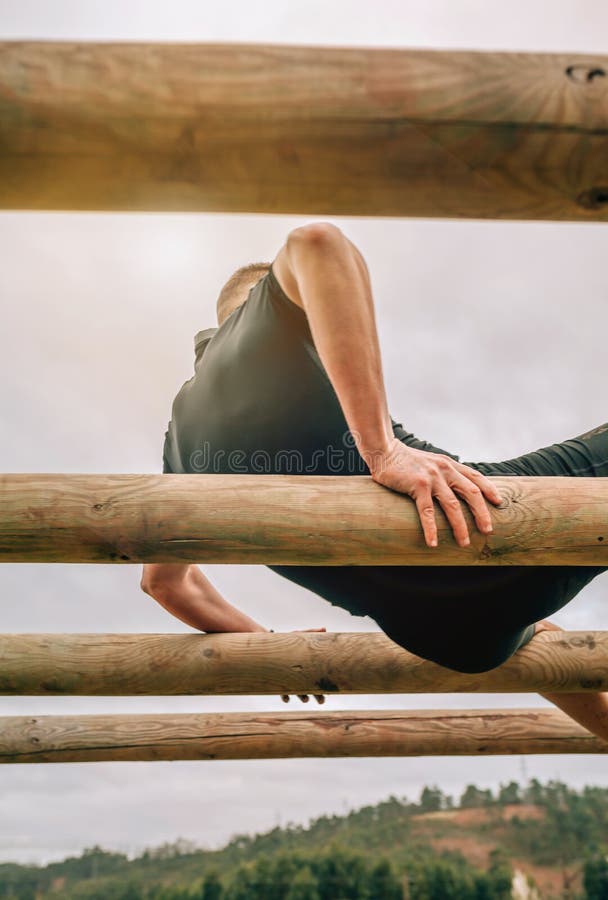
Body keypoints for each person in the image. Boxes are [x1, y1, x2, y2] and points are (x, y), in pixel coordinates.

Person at [141, 222, 608, 741]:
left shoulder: (179, 444)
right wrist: (383, 450)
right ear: (256, 303)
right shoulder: (259, 323)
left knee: (536, 632)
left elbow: (163, 582)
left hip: (442, 635)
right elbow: (317, 244)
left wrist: (264, 641)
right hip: (482, 538)